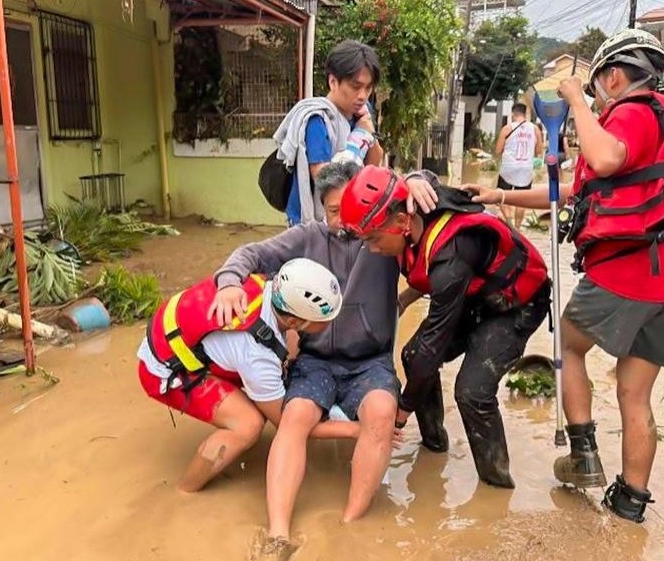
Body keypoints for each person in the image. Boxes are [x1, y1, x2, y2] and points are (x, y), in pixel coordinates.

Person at [463, 28, 664, 523]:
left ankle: (583, 455)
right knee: (634, 391)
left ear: (613, 77)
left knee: (568, 345)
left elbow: (604, 159)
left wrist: (575, 98)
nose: (594, 94)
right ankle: (629, 504)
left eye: (596, 84)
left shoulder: (635, 113)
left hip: (631, 270)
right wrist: (500, 197)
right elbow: (571, 195)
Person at [210, 161, 439, 558]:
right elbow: (251, 253)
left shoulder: (381, 233)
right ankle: (278, 534)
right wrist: (229, 283)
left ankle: (349, 527)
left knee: (383, 411)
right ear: (322, 209)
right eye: (334, 212)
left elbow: (429, 209)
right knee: (295, 415)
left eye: (349, 210)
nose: (346, 222)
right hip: (315, 360)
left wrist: (418, 180)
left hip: (370, 361)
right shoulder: (307, 237)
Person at [339, 165, 552, 488]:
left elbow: (434, 346)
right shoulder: (415, 206)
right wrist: (408, 298)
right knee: (411, 356)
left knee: (471, 391)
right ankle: (434, 445)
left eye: (373, 239)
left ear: (400, 223)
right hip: (476, 295)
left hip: (516, 305)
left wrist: (402, 411)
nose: (371, 249)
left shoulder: (453, 252)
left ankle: (495, 487)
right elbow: (429, 257)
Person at [137, 258, 351, 494]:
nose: (331, 324)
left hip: (176, 335)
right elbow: (288, 423)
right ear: (293, 320)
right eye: (325, 321)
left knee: (287, 353)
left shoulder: (266, 283)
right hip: (162, 370)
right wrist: (355, 430)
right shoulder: (256, 355)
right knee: (248, 425)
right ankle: (185, 490)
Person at [273, 40, 384, 226]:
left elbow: (373, 163)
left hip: (348, 216)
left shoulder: (362, 112)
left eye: (368, 87)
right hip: (312, 223)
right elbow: (325, 178)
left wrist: (368, 133)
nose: (363, 95)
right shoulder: (318, 119)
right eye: (356, 86)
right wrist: (359, 139)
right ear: (333, 82)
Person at [495, 103, 543, 230]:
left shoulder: (507, 128)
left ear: (513, 114)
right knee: (521, 199)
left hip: (508, 168)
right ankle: (517, 228)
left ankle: (509, 222)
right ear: (525, 114)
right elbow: (539, 151)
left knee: (501, 195)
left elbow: (498, 150)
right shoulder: (535, 129)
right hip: (526, 168)